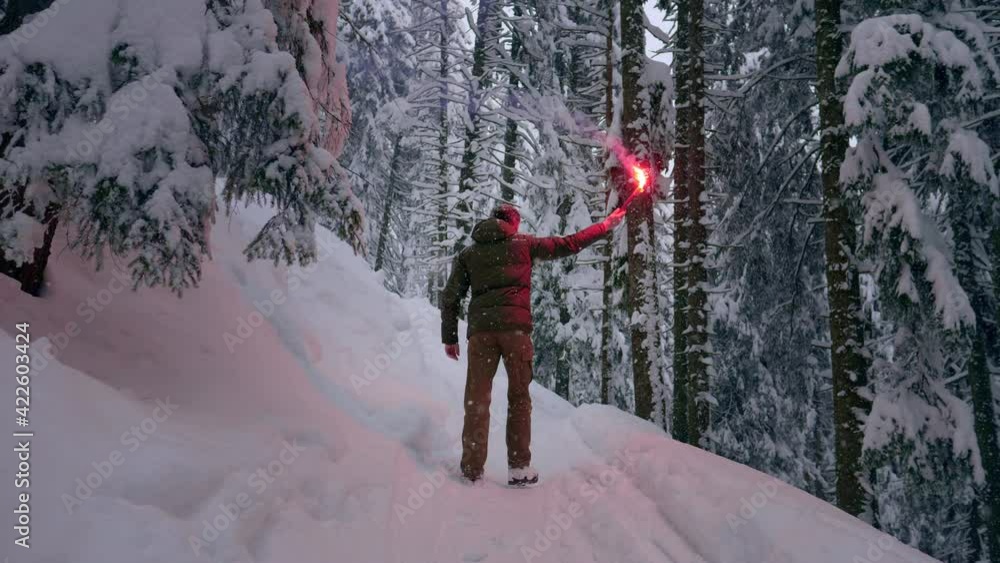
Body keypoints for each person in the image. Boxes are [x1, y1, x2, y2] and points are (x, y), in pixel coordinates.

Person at [440, 203, 626, 486]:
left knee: (477, 400)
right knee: (519, 398)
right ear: (512, 223)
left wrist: (450, 337)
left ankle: (472, 469)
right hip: (515, 332)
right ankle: (518, 467)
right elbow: (569, 244)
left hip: (482, 334)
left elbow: (450, 296)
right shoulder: (523, 244)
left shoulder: (469, 253)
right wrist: (604, 226)